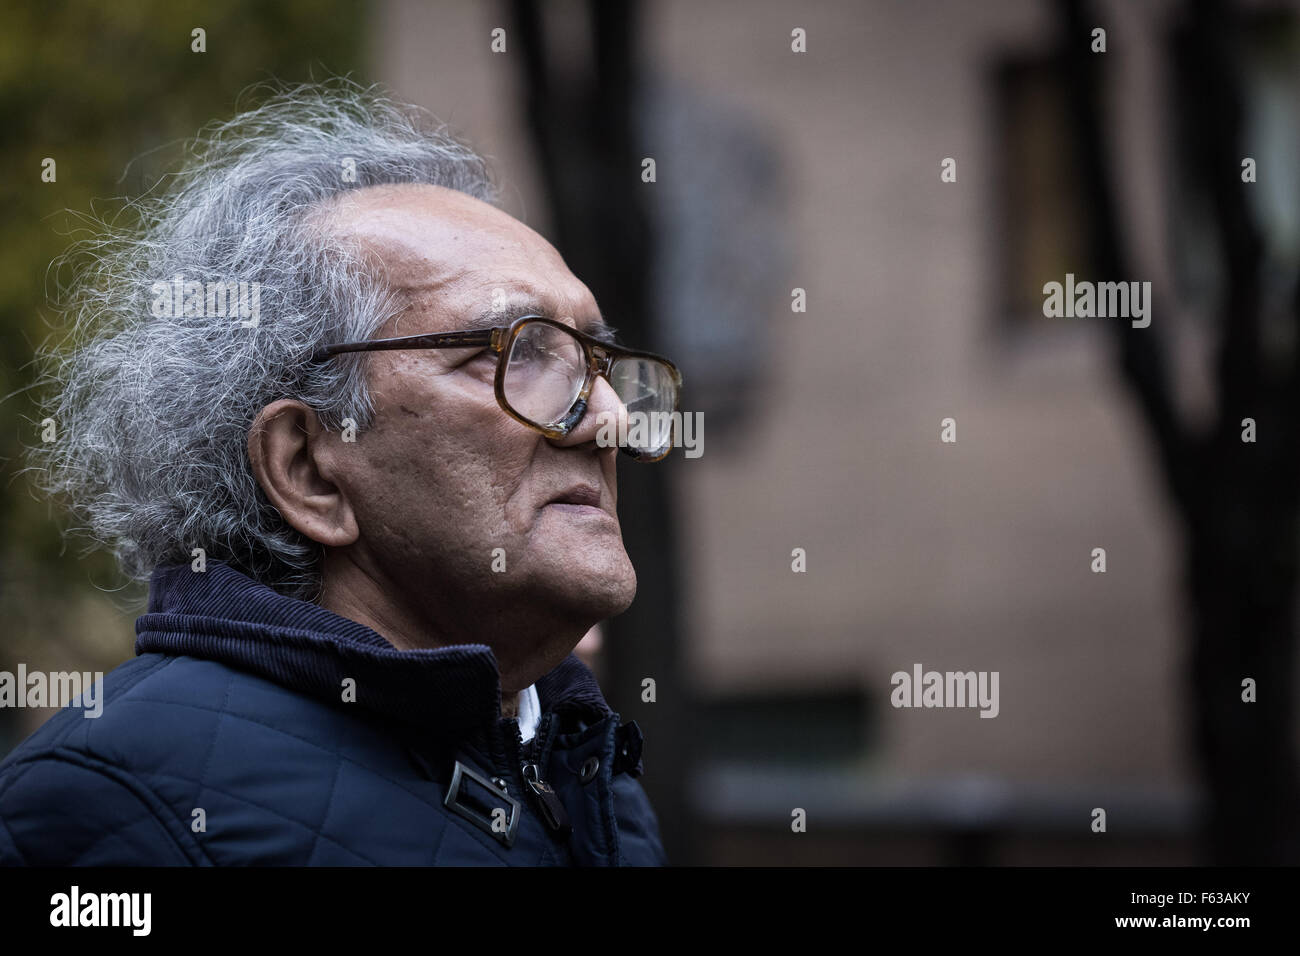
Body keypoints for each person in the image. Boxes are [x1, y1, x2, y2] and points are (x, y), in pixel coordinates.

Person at [0, 81, 677, 866]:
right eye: (517, 354)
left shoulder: (597, 785)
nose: (609, 420)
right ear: (307, 469)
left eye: (594, 360)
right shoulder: (113, 803)